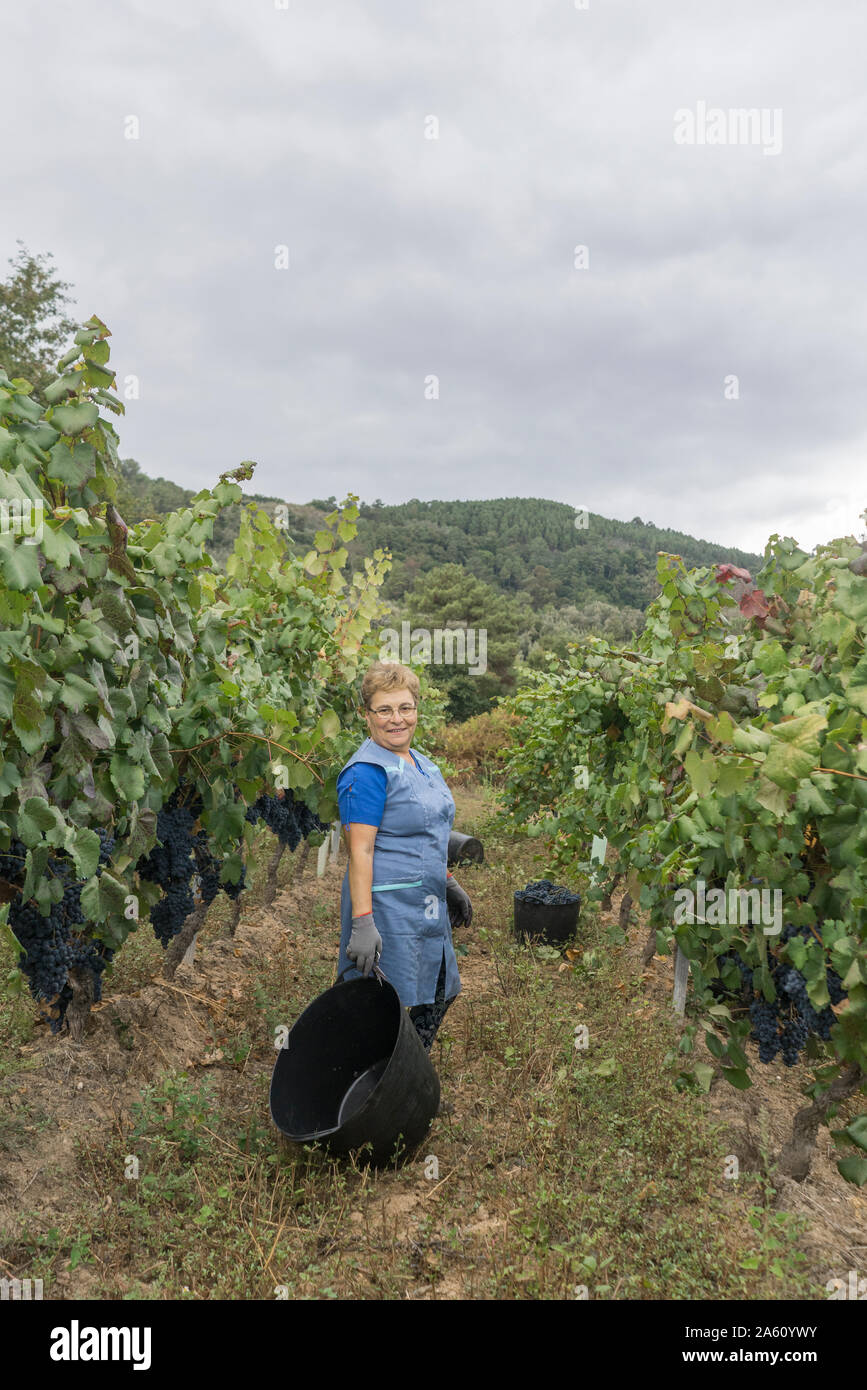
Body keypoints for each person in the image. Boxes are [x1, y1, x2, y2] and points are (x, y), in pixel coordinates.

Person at [335, 661, 473, 1056]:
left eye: (405, 708)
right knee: (378, 1005)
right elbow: (358, 850)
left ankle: (404, 1077)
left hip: (426, 902)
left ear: (416, 710)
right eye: (384, 710)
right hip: (387, 906)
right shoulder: (366, 773)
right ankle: (371, 1093)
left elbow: (431, 831)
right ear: (367, 716)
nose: (397, 719)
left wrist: (448, 881)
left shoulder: (423, 764)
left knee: (439, 991)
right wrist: (363, 923)